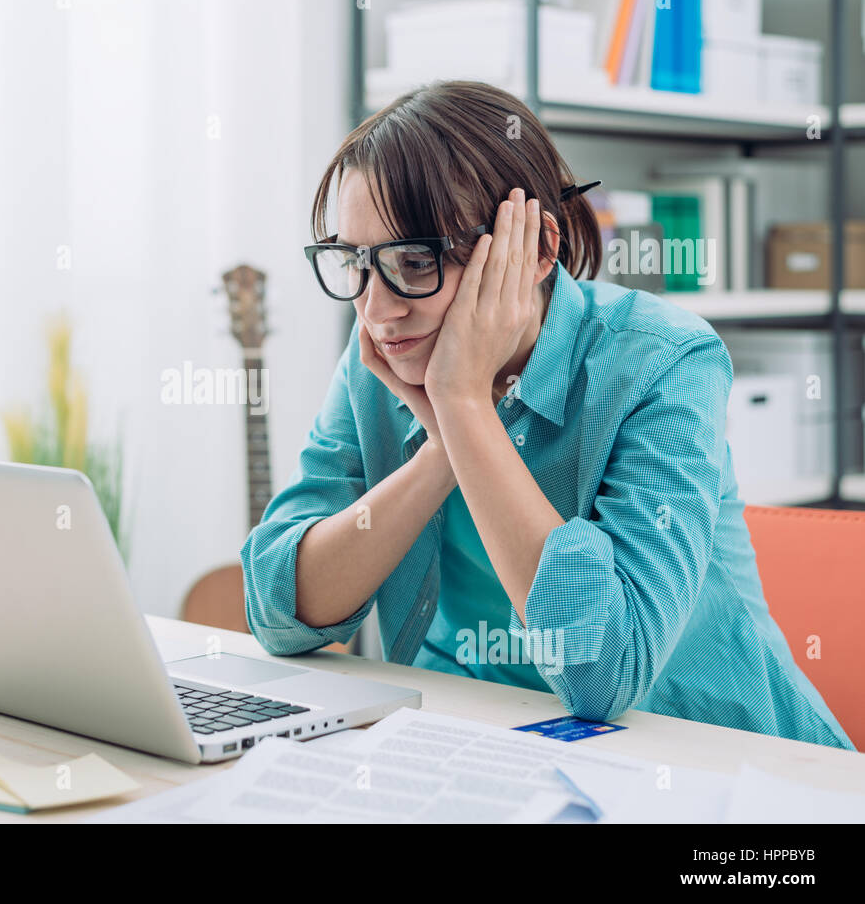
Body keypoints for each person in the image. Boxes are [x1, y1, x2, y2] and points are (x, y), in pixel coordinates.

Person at [240, 80, 853, 751]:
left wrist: (467, 405)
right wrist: (443, 449)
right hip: (485, 751)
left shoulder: (666, 363)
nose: (377, 309)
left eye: (415, 262)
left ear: (532, 250)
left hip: (720, 766)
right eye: (355, 263)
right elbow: (278, 608)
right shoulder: (384, 359)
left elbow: (603, 676)